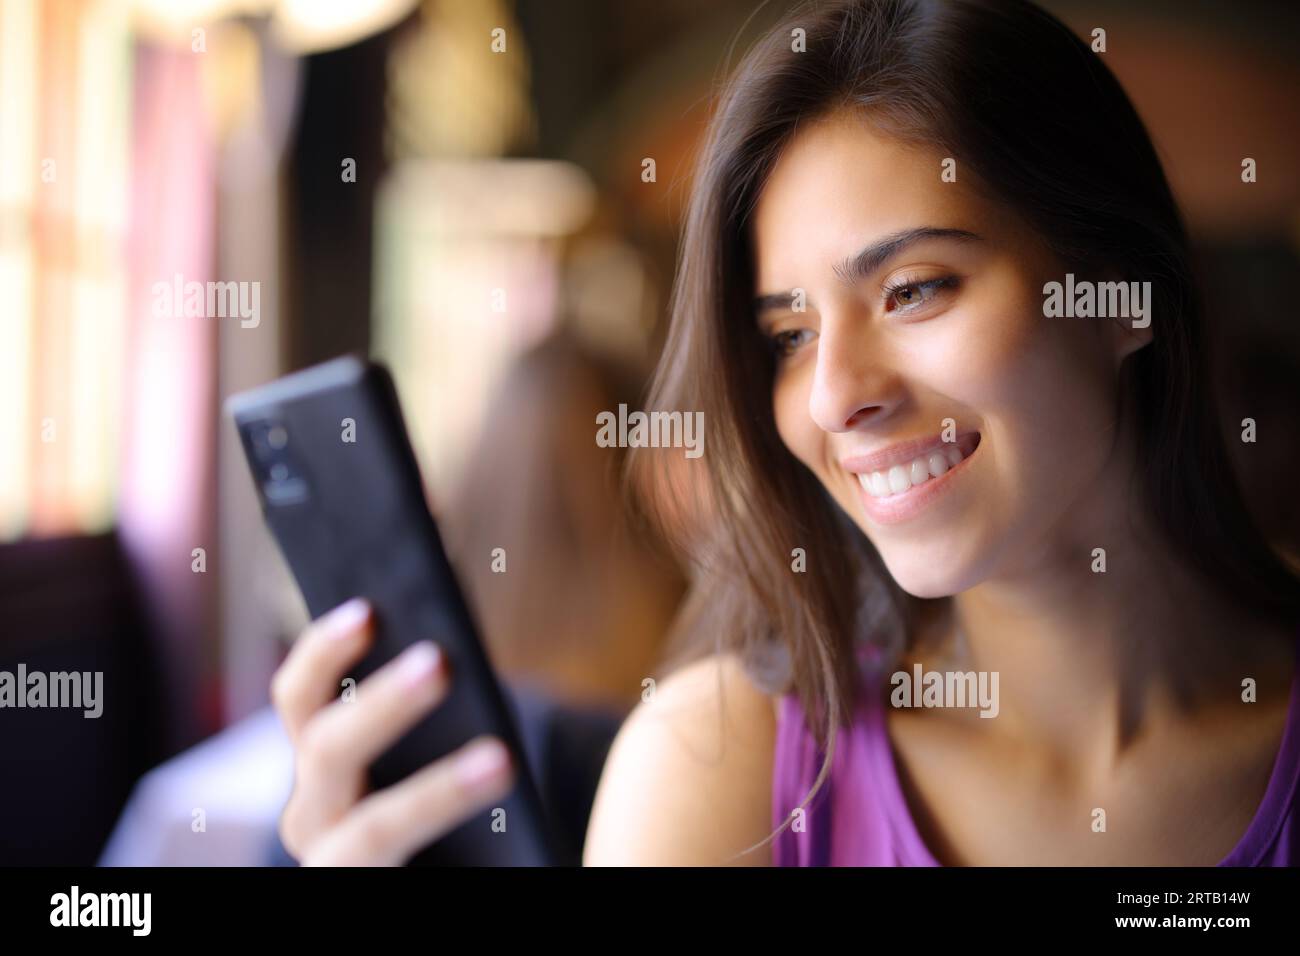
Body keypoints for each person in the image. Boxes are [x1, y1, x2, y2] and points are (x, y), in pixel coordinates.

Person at [270, 0, 1300, 866]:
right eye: (790, 335)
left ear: (1125, 294)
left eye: (914, 288)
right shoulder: (720, 768)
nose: (834, 396)